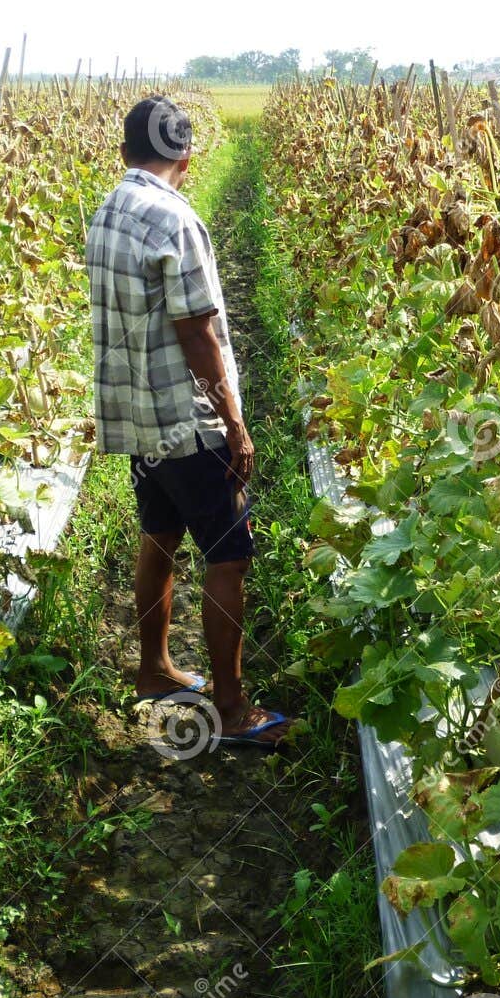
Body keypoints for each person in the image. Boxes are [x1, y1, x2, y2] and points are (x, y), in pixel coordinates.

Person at [85, 96, 291, 749]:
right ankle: (231, 712)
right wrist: (234, 424)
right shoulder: (176, 221)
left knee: (159, 535)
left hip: (138, 419)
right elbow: (199, 333)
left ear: (125, 154)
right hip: (187, 422)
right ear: (187, 156)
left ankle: (154, 669)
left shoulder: (108, 210)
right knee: (229, 555)